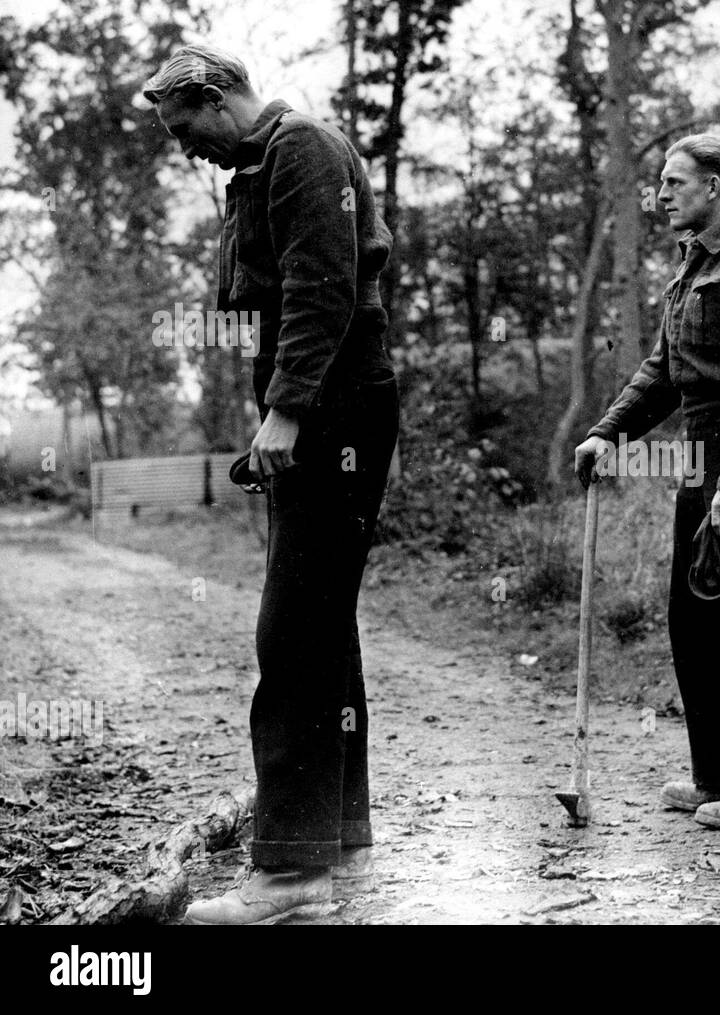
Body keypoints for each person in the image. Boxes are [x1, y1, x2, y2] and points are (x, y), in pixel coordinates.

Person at [144, 44, 399, 923]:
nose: (186, 148)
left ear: (215, 97)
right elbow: (263, 297)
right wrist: (274, 409)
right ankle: (339, 825)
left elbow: (323, 288)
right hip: (318, 400)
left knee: (290, 633)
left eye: (185, 129)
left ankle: (290, 875)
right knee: (322, 618)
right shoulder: (257, 166)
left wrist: (287, 411)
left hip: (335, 404)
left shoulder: (303, 151)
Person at [574, 134, 720, 830]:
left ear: (715, 187)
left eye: (676, 182)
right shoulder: (690, 266)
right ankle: (717, 775)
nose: (663, 193)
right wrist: (607, 432)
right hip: (697, 462)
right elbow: (661, 369)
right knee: (698, 625)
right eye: (660, 182)